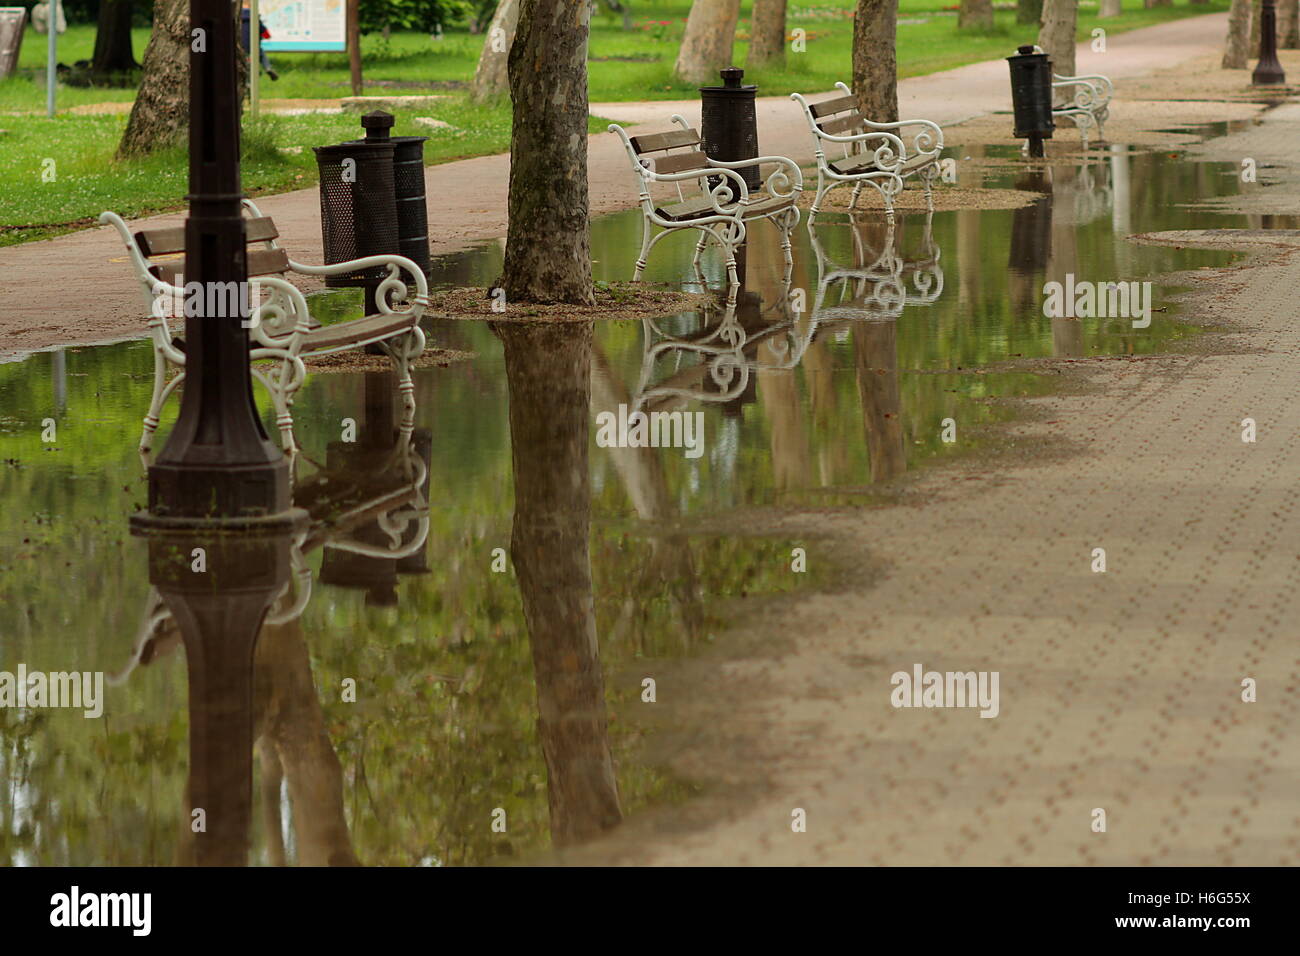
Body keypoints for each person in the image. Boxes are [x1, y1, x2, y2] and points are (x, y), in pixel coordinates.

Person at [239, 0, 278, 81]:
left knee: (243, 58)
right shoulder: (256, 20)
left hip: (240, 47)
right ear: (251, 6)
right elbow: (266, 35)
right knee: (261, 53)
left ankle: (250, 71)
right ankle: (267, 68)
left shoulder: (237, 20)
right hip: (254, 47)